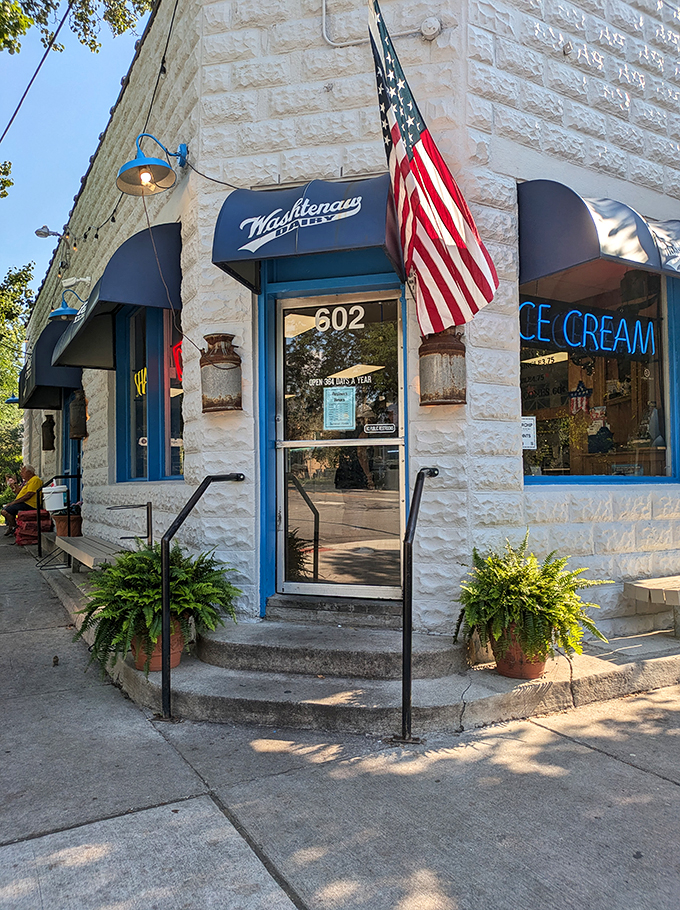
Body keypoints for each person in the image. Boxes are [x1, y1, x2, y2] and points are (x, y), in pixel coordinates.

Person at [2, 465, 42, 536]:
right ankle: (12, 526)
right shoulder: (28, 481)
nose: (21, 474)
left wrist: (13, 503)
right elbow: (19, 491)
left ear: (29, 472)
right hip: (24, 503)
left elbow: (29, 495)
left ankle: (14, 527)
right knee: (5, 509)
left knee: (5, 511)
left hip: (30, 504)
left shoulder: (35, 480)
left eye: (23, 472)